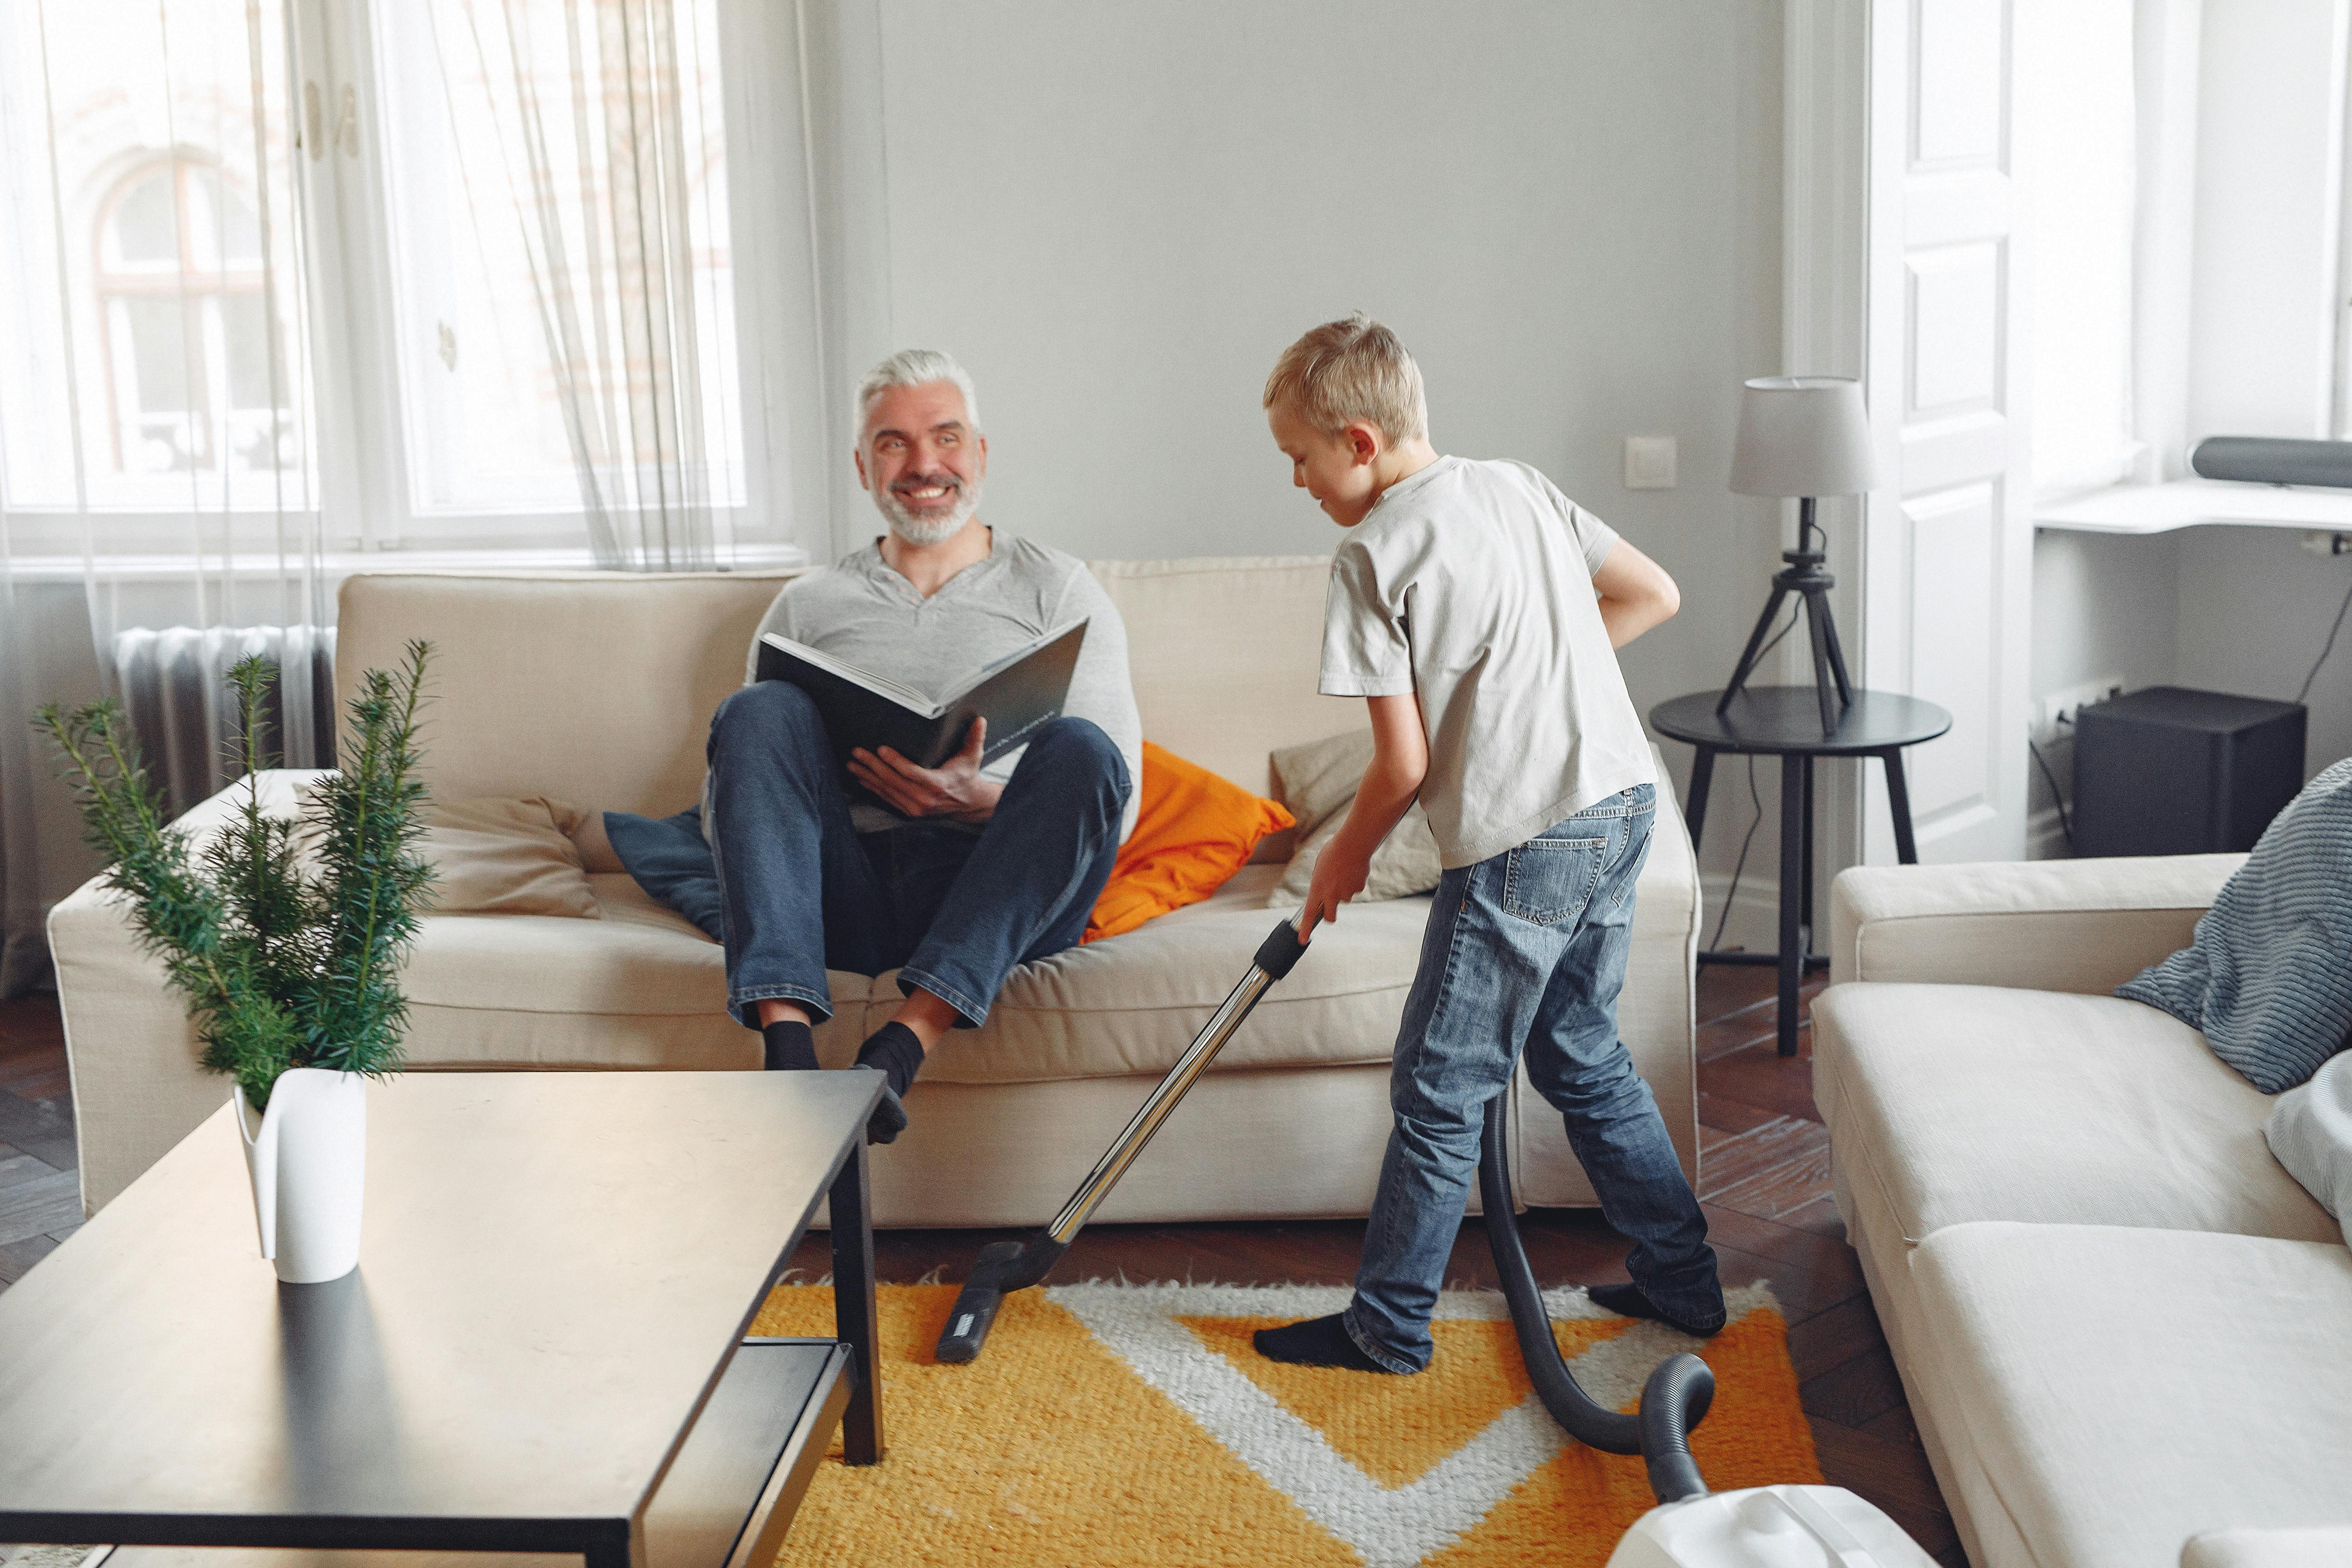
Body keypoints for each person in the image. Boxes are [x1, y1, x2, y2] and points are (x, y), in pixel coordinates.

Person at [1251, 315, 1724, 1374]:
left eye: (1300, 458)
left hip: (1527, 837)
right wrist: (1531, 675)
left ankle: (1388, 1327)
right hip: (1621, 801)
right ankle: (1684, 1280)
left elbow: (1402, 770)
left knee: (1437, 1086)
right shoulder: (1516, 483)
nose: (1298, 481)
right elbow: (1654, 593)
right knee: (1581, 1050)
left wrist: (1342, 859)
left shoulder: (1371, 554)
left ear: (1360, 442)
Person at [705, 350, 1142, 1143]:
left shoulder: (1060, 588)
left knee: (1084, 748)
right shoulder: (807, 605)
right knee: (756, 712)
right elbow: (736, 807)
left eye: (945, 438)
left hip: (1001, 891)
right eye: (893, 443)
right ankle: (789, 1056)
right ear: (863, 466)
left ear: (980, 453)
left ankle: (903, 1045)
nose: (923, 465)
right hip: (849, 889)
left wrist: (982, 803)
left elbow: (1118, 798)